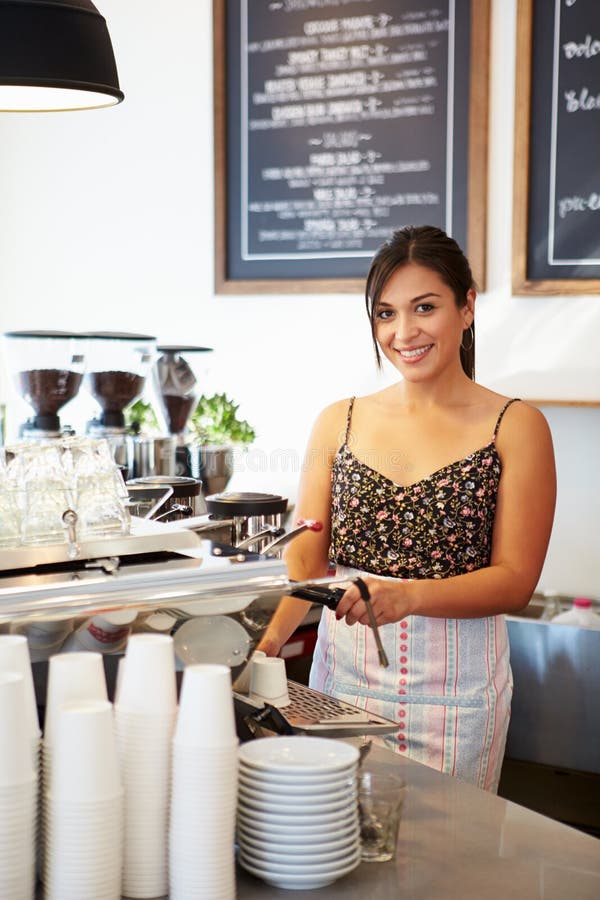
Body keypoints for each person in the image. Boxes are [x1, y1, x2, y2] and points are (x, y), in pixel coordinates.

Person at [257, 225, 556, 792]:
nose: (404, 332)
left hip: (458, 703)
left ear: (467, 307)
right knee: (330, 849)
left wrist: (409, 596)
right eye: (386, 314)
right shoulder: (337, 420)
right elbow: (307, 566)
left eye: (425, 307)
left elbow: (516, 582)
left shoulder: (515, 427)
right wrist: (267, 647)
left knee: (446, 869)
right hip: (338, 692)